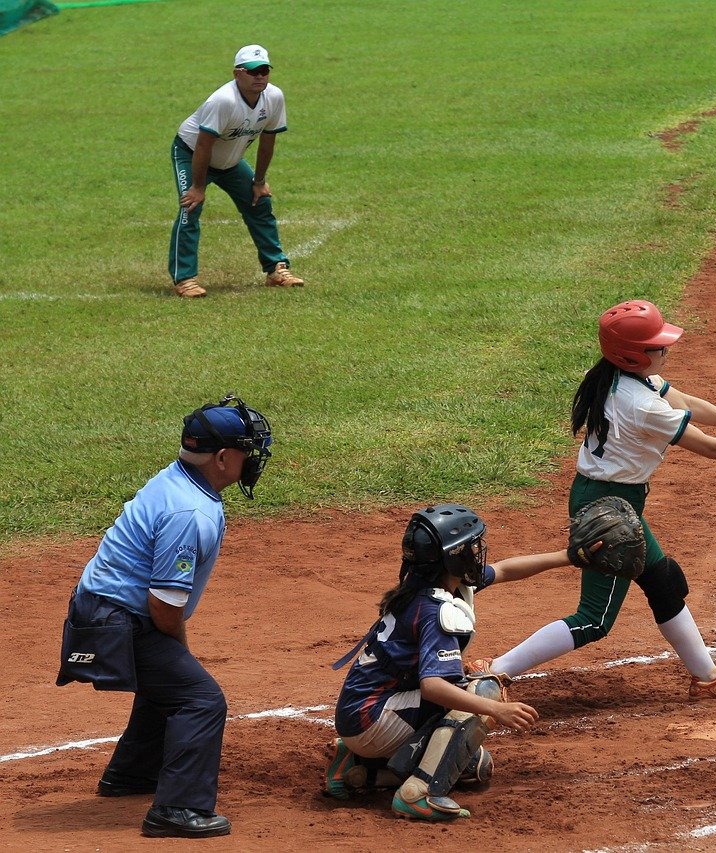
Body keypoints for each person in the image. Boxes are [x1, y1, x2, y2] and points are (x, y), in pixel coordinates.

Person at [466, 300, 716, 700]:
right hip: (607, 508)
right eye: (657, 345)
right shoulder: (641, 405)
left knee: (662, 582)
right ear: (633, 354)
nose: (665, 350)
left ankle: (707, 678)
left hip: (612, 499)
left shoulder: (620, 377)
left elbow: (686, 403)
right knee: (595, 619)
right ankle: (495, 670)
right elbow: (709, 450)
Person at [55, 394, 273, 839]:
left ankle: (132, 775)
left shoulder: (179, 480)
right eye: (247, 452)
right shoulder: (188, 511)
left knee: (171, 682)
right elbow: (163, 607)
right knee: (200, 699)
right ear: (223, 457)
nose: (251, 461)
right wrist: (179, 646)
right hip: (113, 621)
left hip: (101, 609)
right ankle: (177, 810)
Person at [324, 504, 571, 821]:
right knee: (484, 692)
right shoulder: (436, 611)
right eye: (471, 546)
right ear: (452, 557)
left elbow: (507, 569)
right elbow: (433, 687)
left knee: (474, 766)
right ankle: (418, 794)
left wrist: (570, 557)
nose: (477, 551)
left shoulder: (427, 583)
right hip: (372, 718)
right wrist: (496, 709)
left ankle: (360, 769)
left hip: (364, 712)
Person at [169, 44, 304, 298]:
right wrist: (197, 188)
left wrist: (259, 180)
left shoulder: (274, 97)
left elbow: (268, 141)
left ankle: (276, 269)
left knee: (259, 201)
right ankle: (184, 279)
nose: (260, 76)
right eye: (253, 71)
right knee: (190, 207)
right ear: (237, 74)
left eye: (264, 70)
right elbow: (203, 145)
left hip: (229, 161)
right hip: (192, 153)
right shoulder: (223, 101)